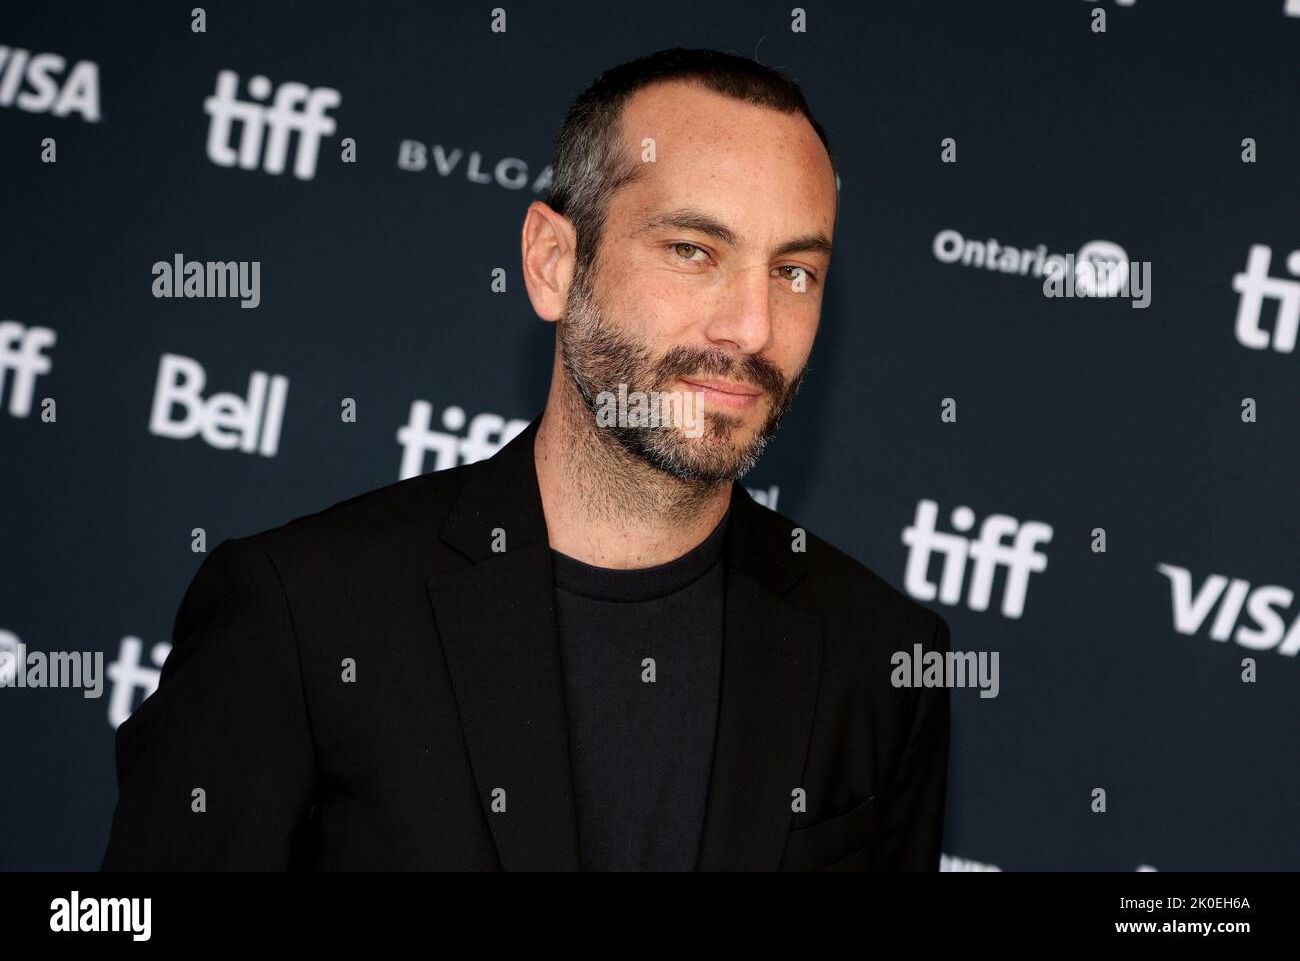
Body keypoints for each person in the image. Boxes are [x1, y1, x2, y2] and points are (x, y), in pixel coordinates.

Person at [102, 47, 950, 872]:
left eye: (794, 271)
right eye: (693, 250)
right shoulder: (304, 615)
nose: (753, 328)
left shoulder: (881, 659)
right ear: (552, 264)